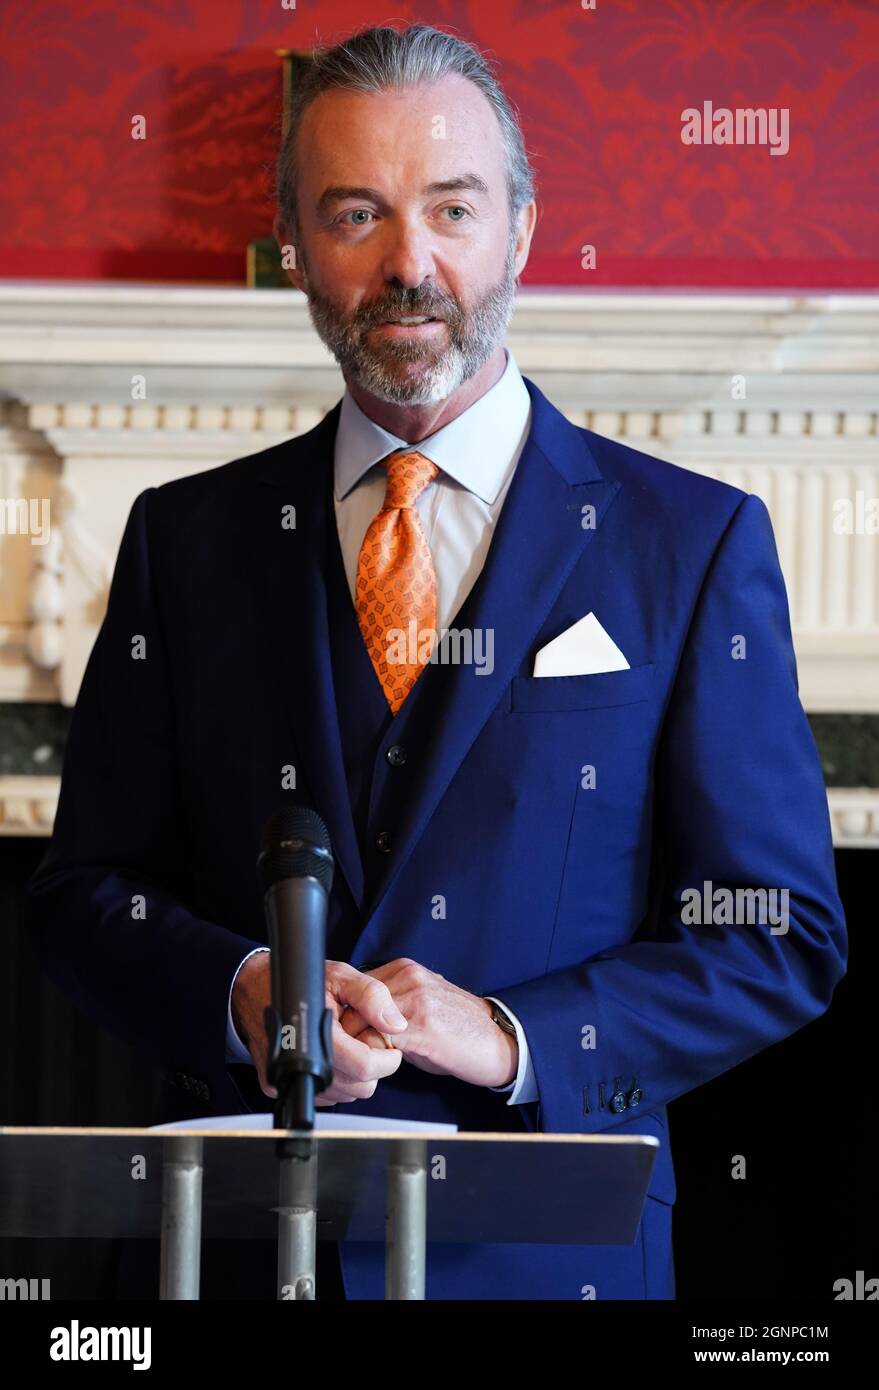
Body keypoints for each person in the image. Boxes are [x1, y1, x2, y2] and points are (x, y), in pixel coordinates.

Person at [26, 23, 846, 1301]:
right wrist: (241, 988)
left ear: (519, 229)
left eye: (452, 209)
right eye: (355, 214)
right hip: (235, 1257)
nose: (411, 264)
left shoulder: (689, 544)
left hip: (549, 1263)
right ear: (295, 246)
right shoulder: (184, 541)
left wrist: (512, 1035)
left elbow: (778, 931)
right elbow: (85, 893)